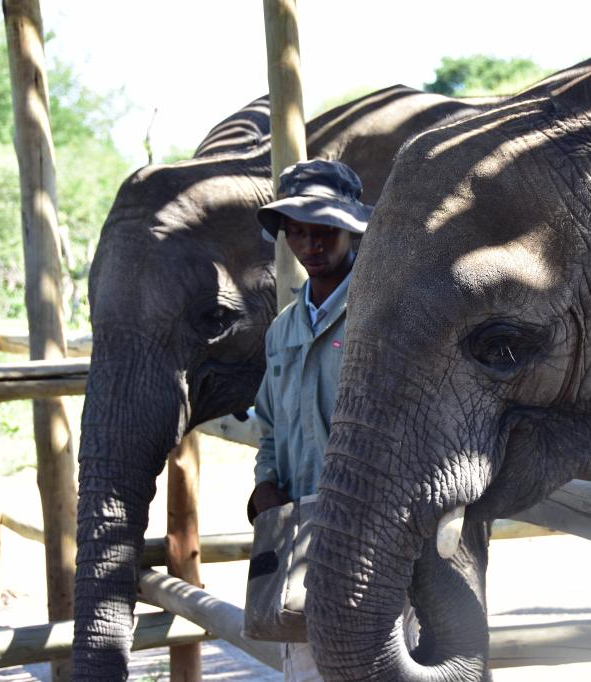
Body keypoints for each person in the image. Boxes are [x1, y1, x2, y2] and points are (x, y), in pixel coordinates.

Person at [248, 158, 372, 681]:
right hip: (298, 536)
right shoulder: (282, 329)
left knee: (376, 661)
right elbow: (270, 425)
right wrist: (266, 485)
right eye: (298, 231)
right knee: (306, 665)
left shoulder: (379, 313)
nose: (311, 245)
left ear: (352, 230)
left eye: (324, 230)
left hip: (372, 532)